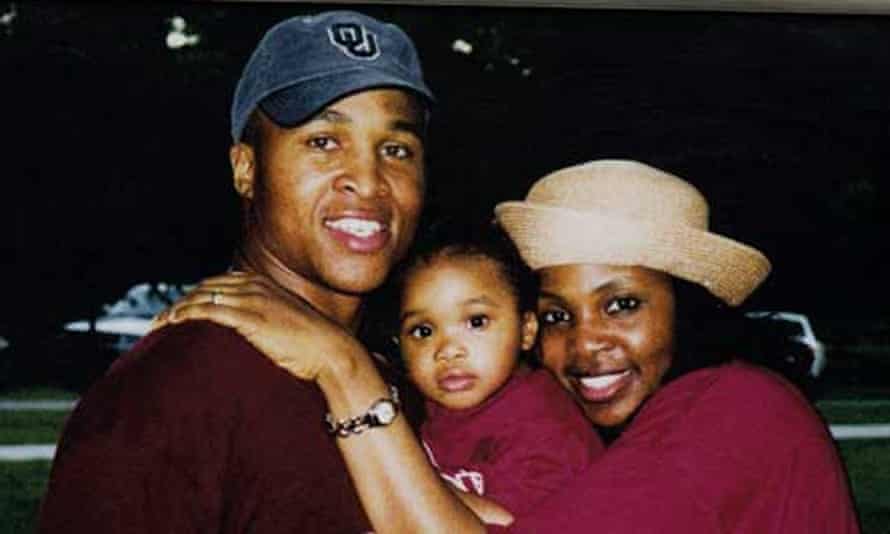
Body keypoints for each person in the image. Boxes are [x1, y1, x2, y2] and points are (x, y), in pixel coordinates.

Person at [160, 159, 861, 533]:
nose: (585, 343)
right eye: (557, 315)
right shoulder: (602, 428)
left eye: (622, 304)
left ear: (689, 308)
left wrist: (341, 366)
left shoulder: (738, 411)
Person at [38, 10, 434, 533]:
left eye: (396, 150)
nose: (368, 180)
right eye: (323, 141)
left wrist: (348, 367)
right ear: (246, 169)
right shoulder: (176, 387)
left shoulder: (419, 385)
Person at [371, 221, 604, 515]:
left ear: (526, 330)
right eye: (423, 331)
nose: (448, 350)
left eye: (476, 322)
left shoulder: (546, 431)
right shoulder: (420, 405)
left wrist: (403, 478)